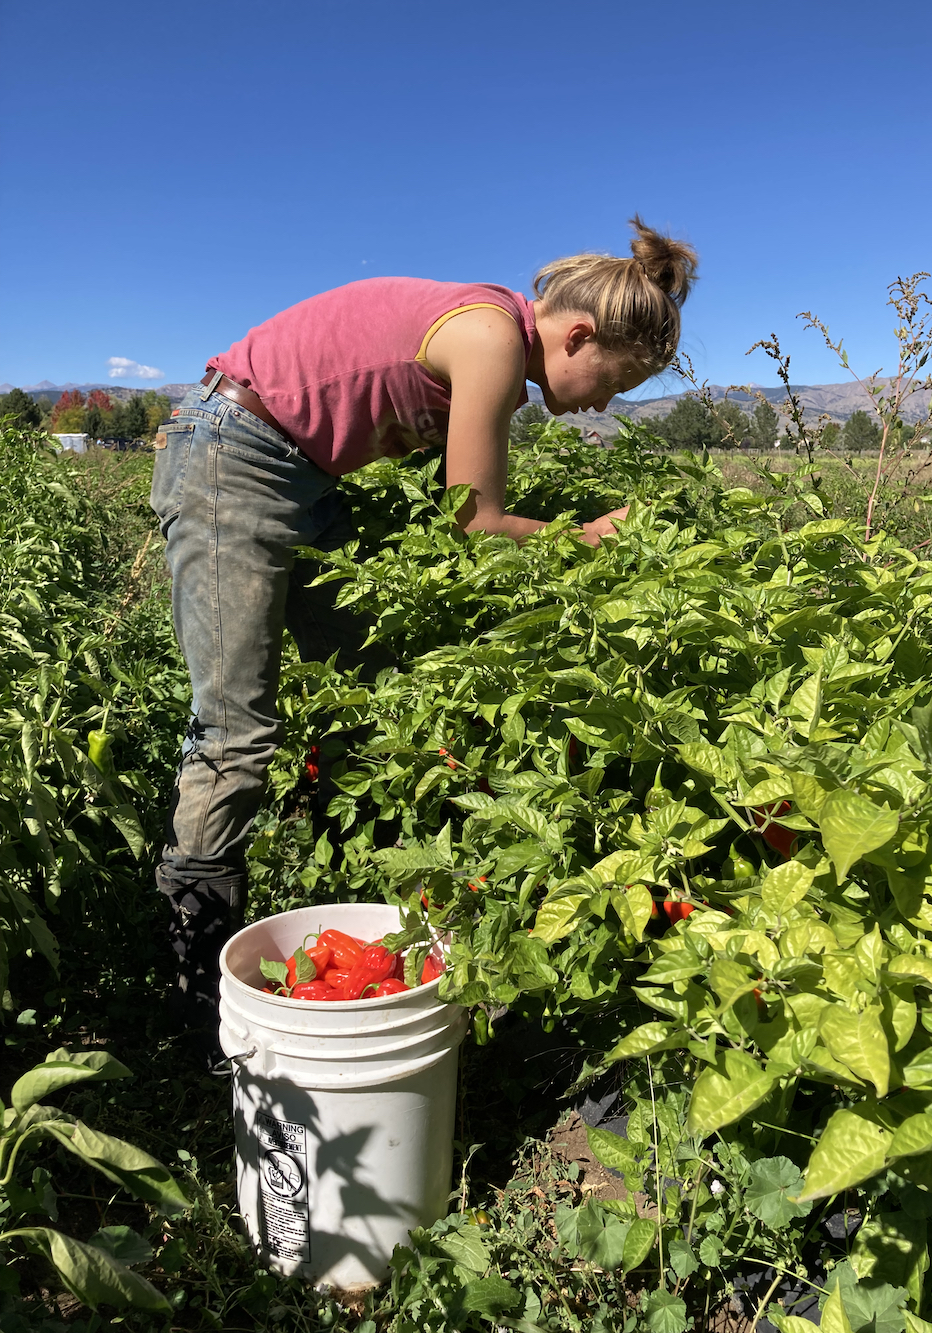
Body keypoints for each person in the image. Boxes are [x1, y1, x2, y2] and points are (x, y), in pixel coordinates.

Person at [151, 215, 697, 1039]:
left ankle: (388, 903)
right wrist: (584, 538)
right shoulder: (491, 338)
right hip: (236, 454)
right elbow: (475, 523)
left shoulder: (491, 337)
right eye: (614, 382)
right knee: (236, 729)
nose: (604, 405)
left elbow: (444, 507)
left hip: (298, 470)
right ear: (578, 335)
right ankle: (195, 984)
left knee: (387, 683)